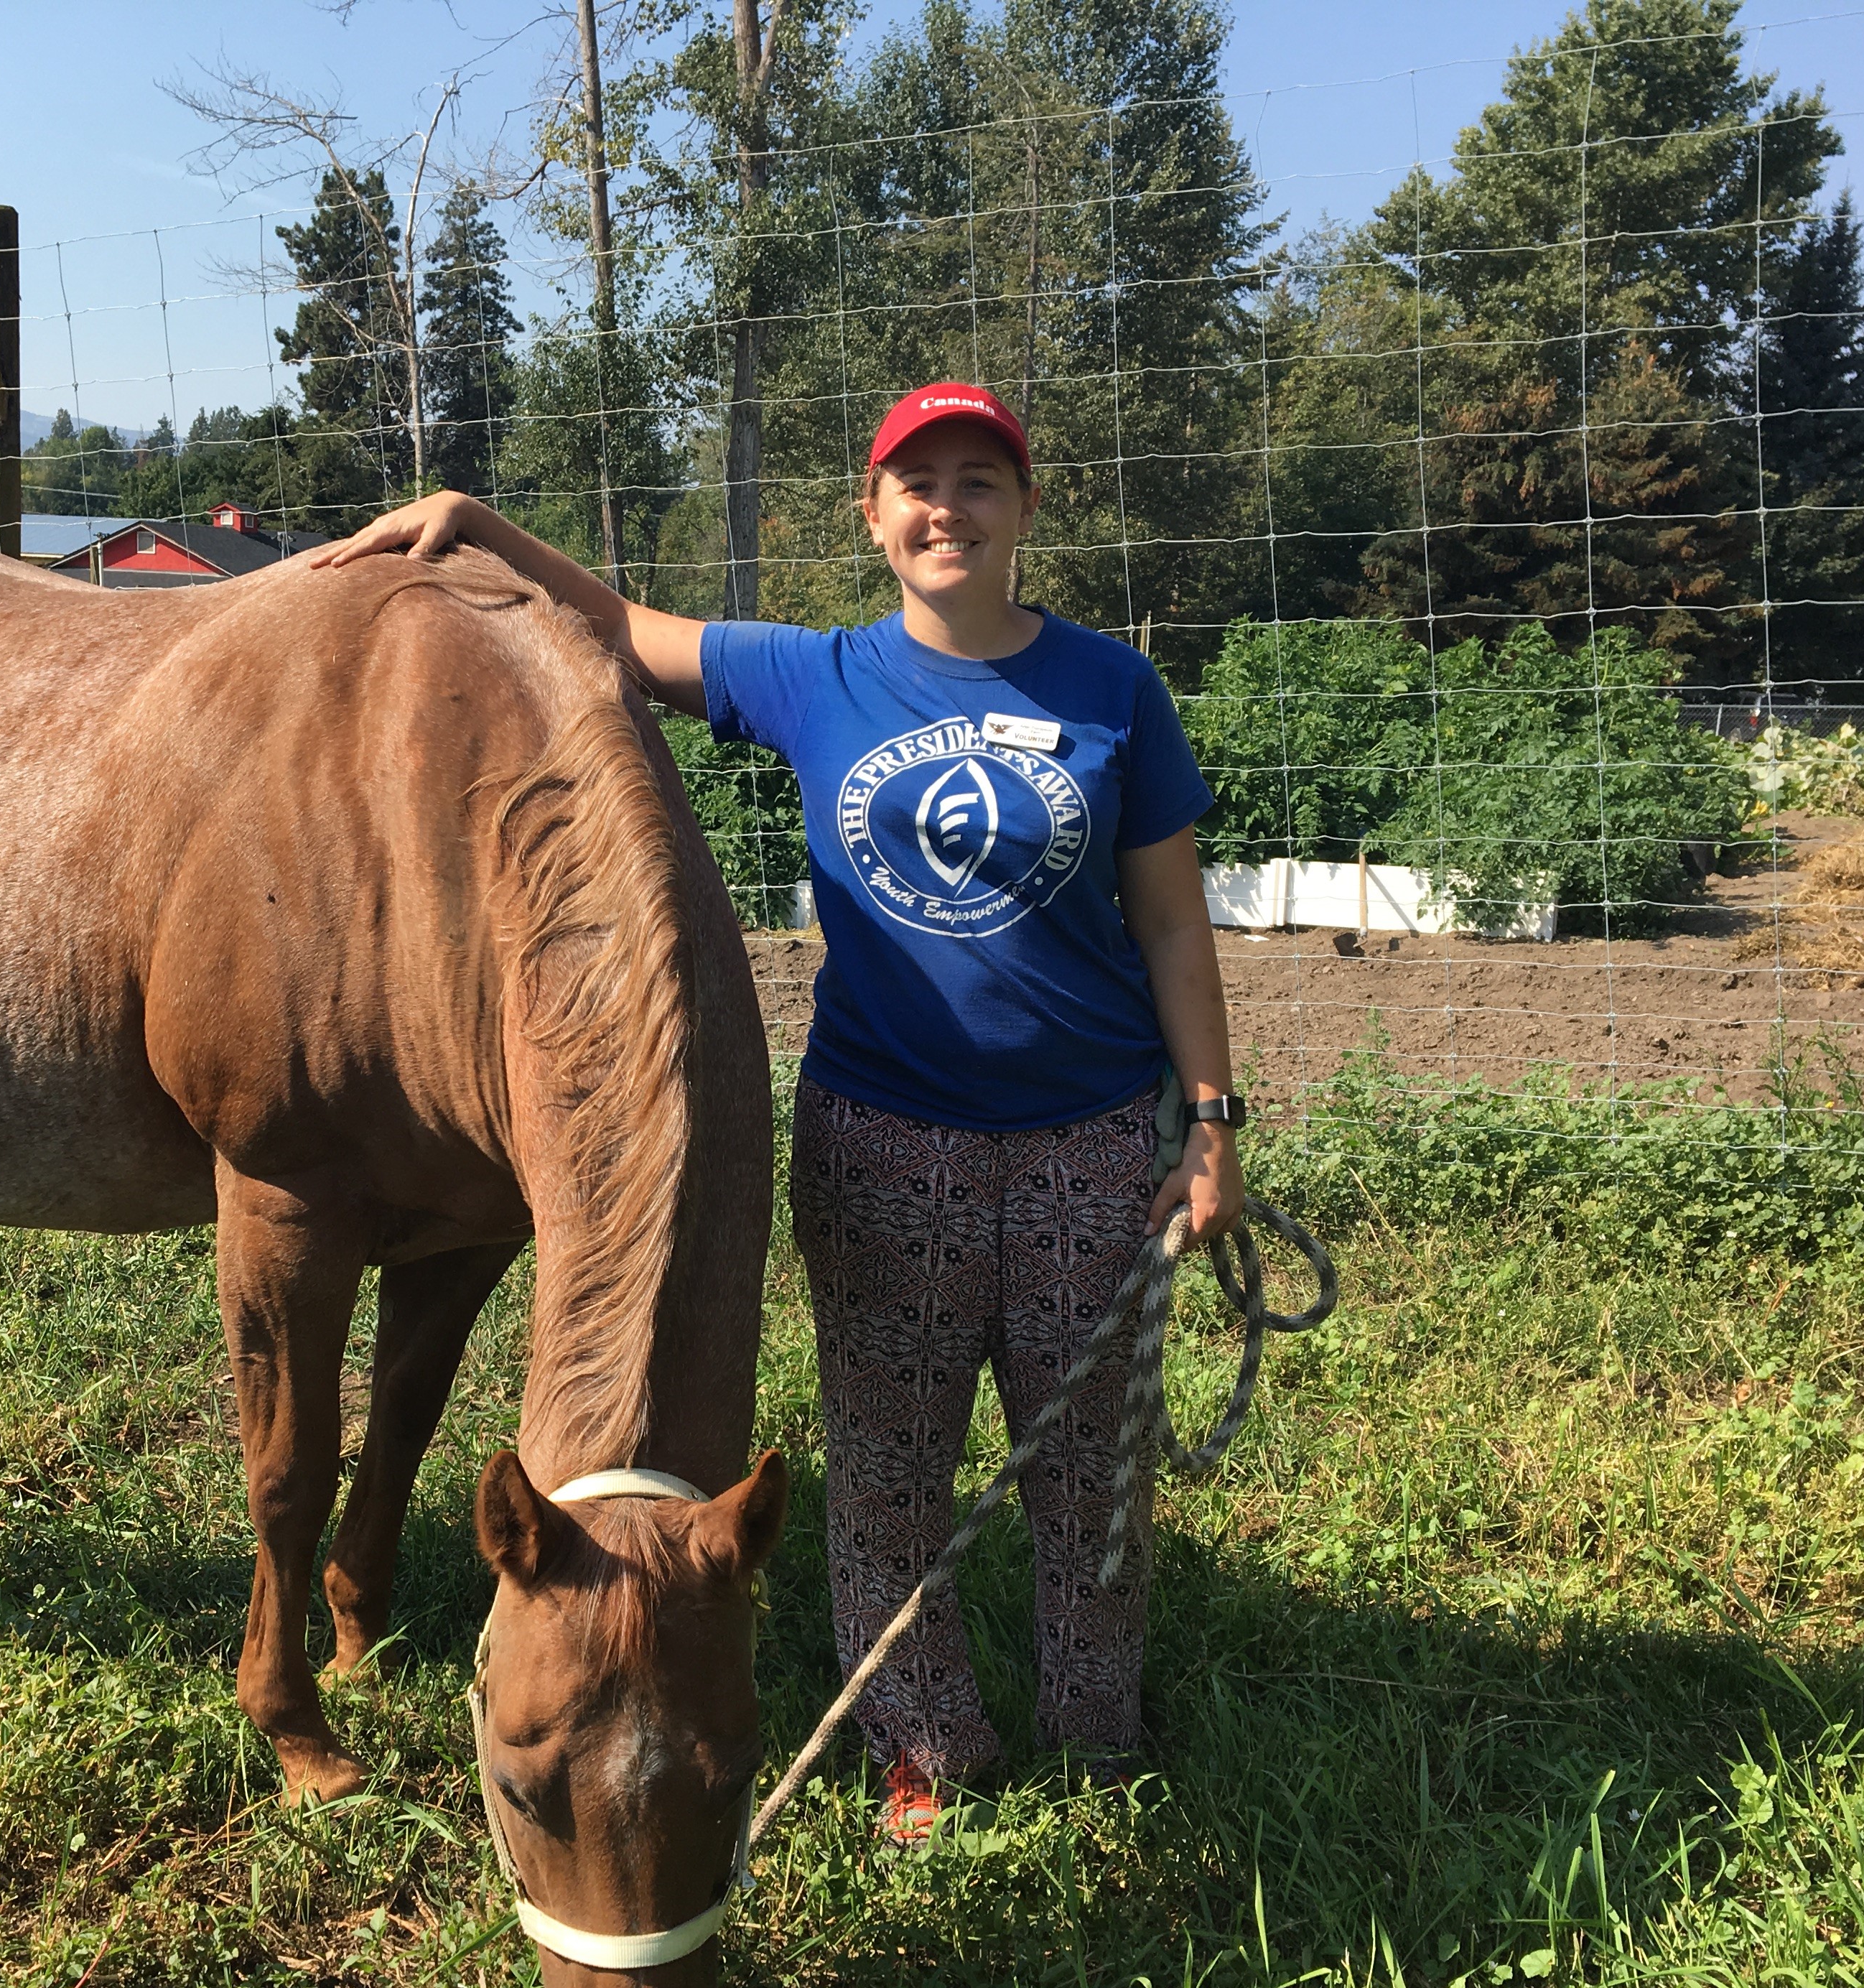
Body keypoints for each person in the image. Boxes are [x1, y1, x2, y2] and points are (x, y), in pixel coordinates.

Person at [322, 381, 1245, 1840]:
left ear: (1026, 509)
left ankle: (1097, 1734)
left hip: (1091, 1140)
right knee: (884, 1468)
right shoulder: (816, 677)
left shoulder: (1112, 691)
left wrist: (1210, 1121)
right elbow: (621, 633)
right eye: (918, 483)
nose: (950, 507)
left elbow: (1177, 929)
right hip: (886, 1140)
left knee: (1090, 1473)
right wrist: (481, 524)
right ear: (874, 519)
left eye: (980, 481)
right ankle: (925, 1746)